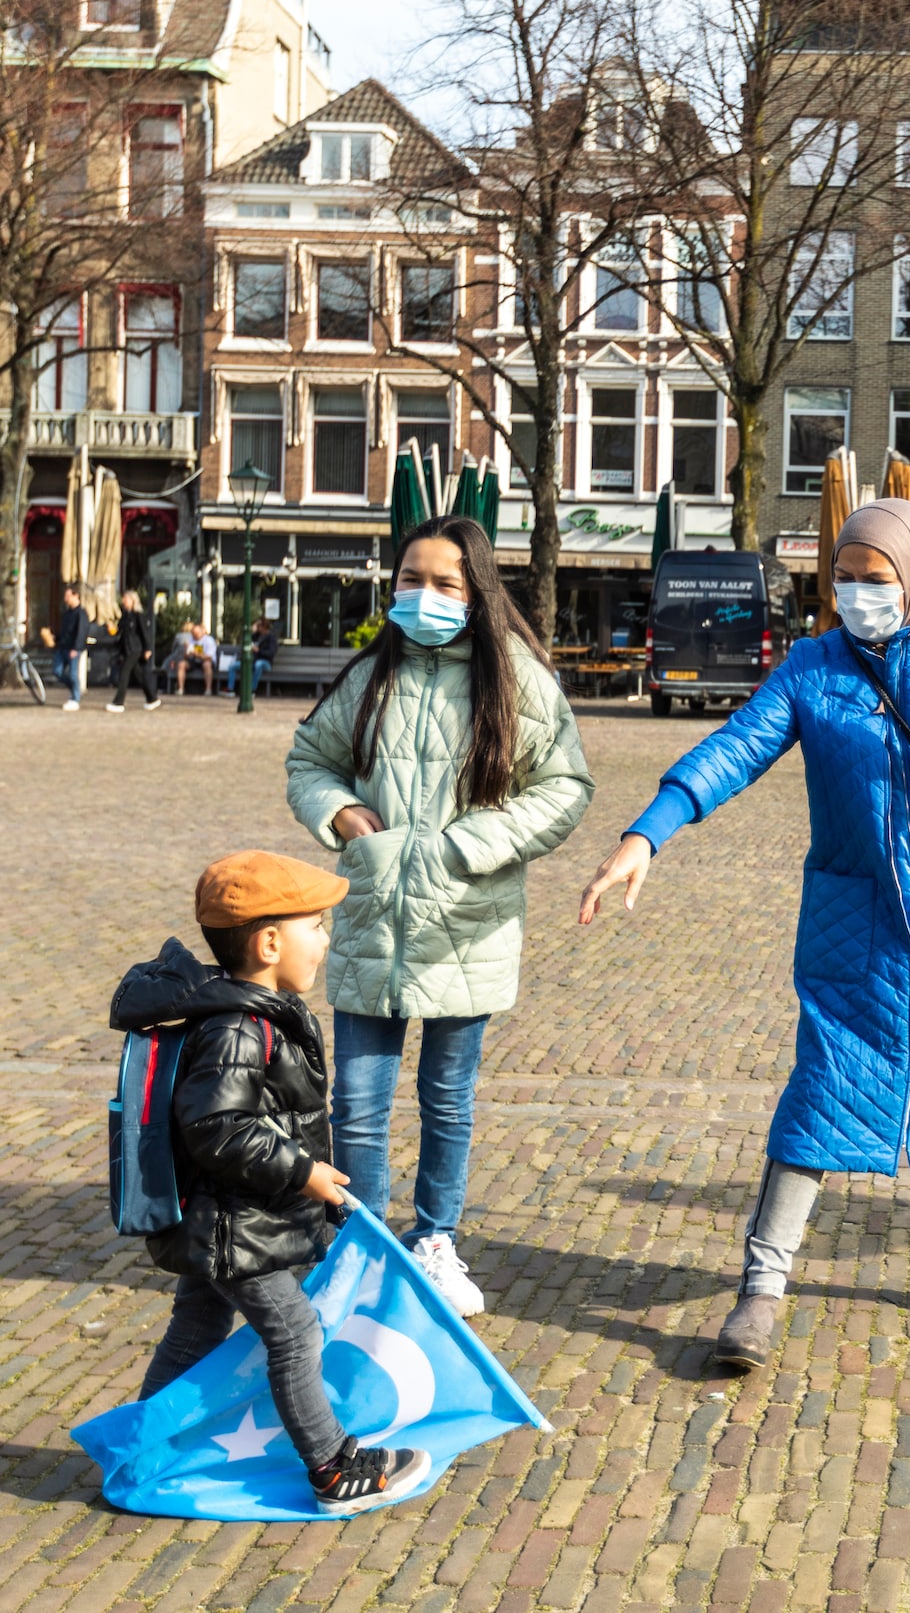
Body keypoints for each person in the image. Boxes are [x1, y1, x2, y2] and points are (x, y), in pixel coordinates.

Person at [578, 498, 910, 1368]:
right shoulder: (811, 666)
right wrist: (647, 831)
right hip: (855, 923)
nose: (857, 593)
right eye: (845, 577)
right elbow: (734, 747)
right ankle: (760, 1288)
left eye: (876, 580)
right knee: (820, 1094)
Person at [286, 516, 593, 1317]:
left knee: (447, 1095)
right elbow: (309, 760)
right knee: (355, 1098)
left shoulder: (515, 678)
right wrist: (346, 815)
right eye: (410, 580)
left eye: (444, 582)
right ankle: (361, 1246)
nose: (424, 596)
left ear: (477, 591)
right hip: (371, 920)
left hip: (467, 920)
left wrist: (472, 843)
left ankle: (434, 1240)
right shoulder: (370, 675)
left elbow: (564, 787)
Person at [112, 850, 429, 1514]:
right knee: (294, 1331)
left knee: (196, 1325)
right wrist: (304, 1170)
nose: (326, 938)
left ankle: (140, 1447)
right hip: (232, 1223)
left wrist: (313, 1182)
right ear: (269, 942)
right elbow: (217, 1127)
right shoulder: (237, 1027)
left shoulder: (261, 1012)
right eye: (317, 924)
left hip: (228, 1217)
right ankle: (332, 1464)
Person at [106, 589, 161, 713]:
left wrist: (148, 648)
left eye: (126, 599)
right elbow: (120, 632)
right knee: (139, 675)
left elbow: (144, 633)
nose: (124, 601)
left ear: (133, 600)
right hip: (126, 649)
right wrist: (111, 630)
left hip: (135, 649)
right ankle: (152, 698)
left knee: (124, 673)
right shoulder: (125, 616)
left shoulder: (138, 615)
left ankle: (118, 702)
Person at [53, 584, 87, 711]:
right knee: (57, 671)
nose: (65, 598)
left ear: (76, 595)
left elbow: (82, 632)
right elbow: (64, 632)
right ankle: (74, 689)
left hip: (73, 649)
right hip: (63, 647)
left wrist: (77, 648)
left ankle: (75, 698)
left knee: (73, 675)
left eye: (68, 596)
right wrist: (55, 638)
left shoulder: (81, 613)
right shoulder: (66, 614)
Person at [174, 622, 219, 697]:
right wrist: (187, 650)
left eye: (196, 633)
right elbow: (186, 657)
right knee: (181, 664)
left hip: (206, 661)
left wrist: (197, 654)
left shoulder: (209, 640)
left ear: (202, 632)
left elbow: (209, 657)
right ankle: (181, 689)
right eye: (193, 633)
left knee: (206, 664)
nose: (195, 635)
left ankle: (208, 689)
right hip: (194, 661)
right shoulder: (191, 640)